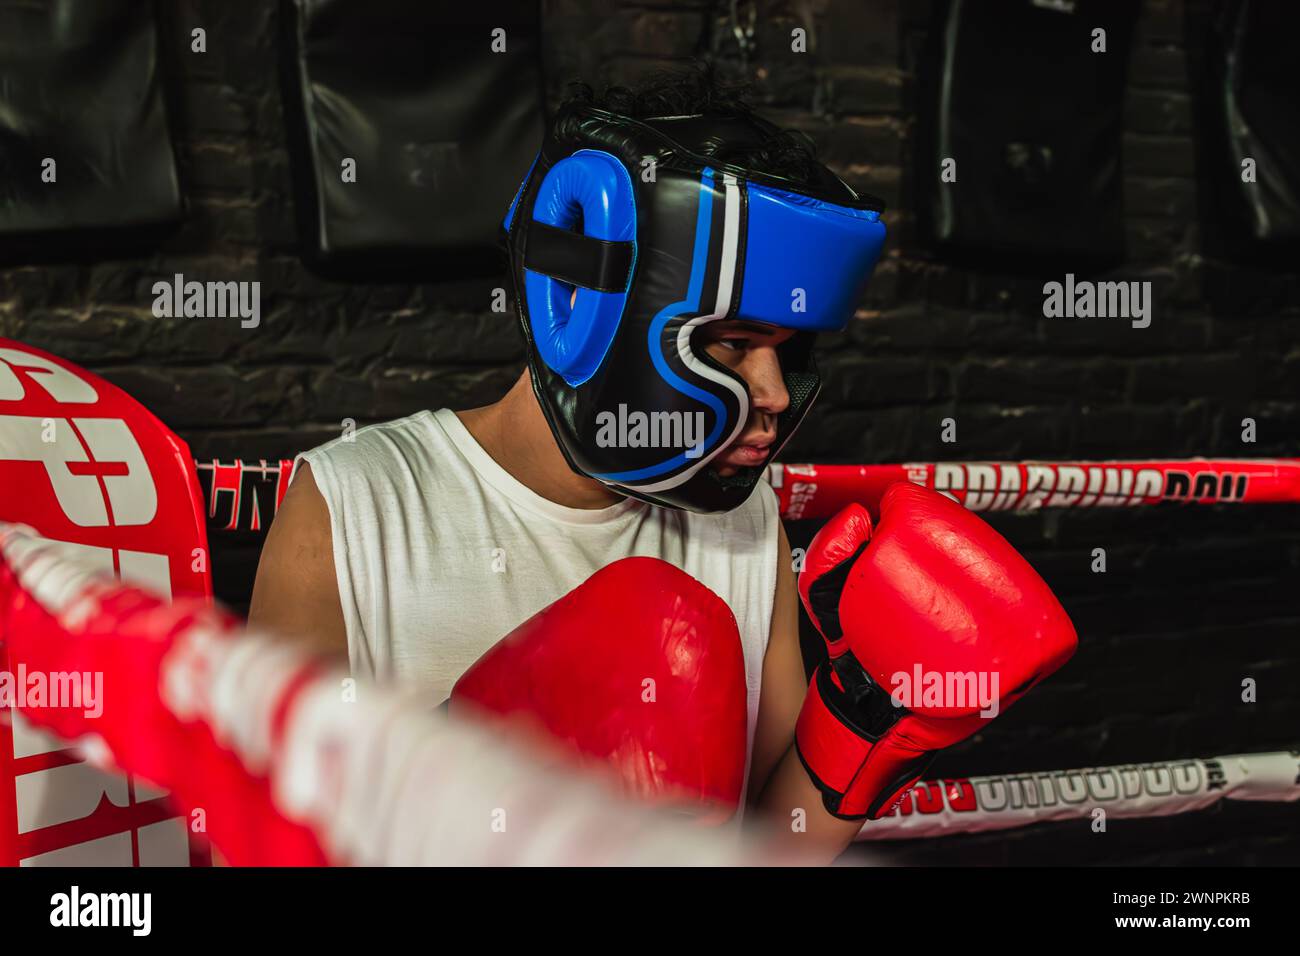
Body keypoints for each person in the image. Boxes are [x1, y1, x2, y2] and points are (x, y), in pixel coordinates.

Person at [249, 65, 1074, 861]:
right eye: (735, 343)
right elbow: (273, 840)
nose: (777, 394)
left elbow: (765, 846)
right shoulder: (358, 504)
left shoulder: (744, 525)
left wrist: (863, 721)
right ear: (578, 307)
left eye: (788, 352)